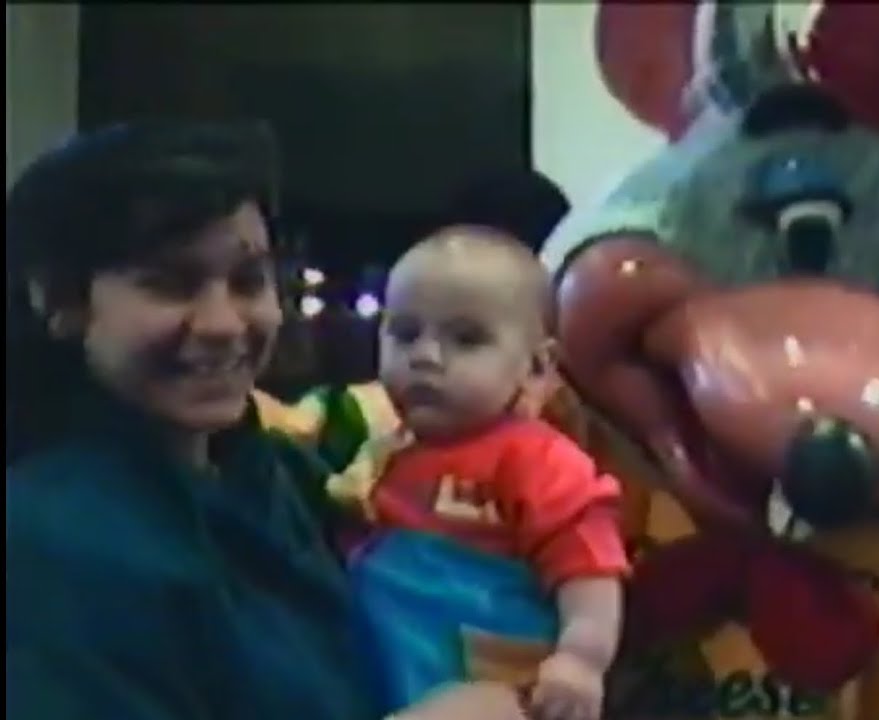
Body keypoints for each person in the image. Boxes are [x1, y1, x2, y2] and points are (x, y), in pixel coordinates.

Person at [5, 120, 524, 720]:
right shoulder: (47, 543)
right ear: (60, 302)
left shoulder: (281, 475)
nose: (224, 322)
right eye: (171, 283)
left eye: (249, 280)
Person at [327, 226, 629, 720]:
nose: (425, 357)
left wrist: (580, 659)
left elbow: (590, 567)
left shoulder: (537, 459)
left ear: (536, 367)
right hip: (386, 666)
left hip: (488, 680)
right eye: (404, 333)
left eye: (466, 339)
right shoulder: (380, 449)